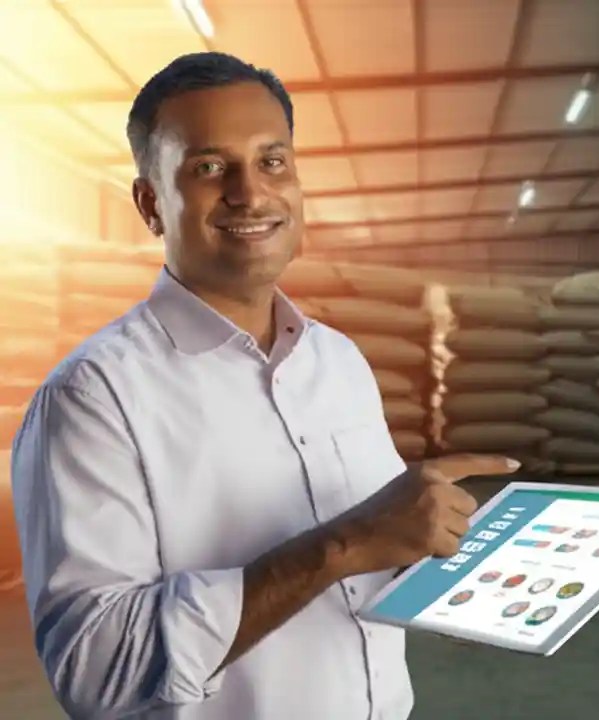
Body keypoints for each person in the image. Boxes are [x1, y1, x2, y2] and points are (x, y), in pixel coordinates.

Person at [8, 51, 516, 719]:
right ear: (151, 204)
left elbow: (376, 552)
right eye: (208, 168)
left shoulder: (337, 362)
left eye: (272, 161)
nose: (250, 193)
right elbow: (97, 672)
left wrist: (448, 553)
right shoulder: (94, 399)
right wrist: (341, 546)